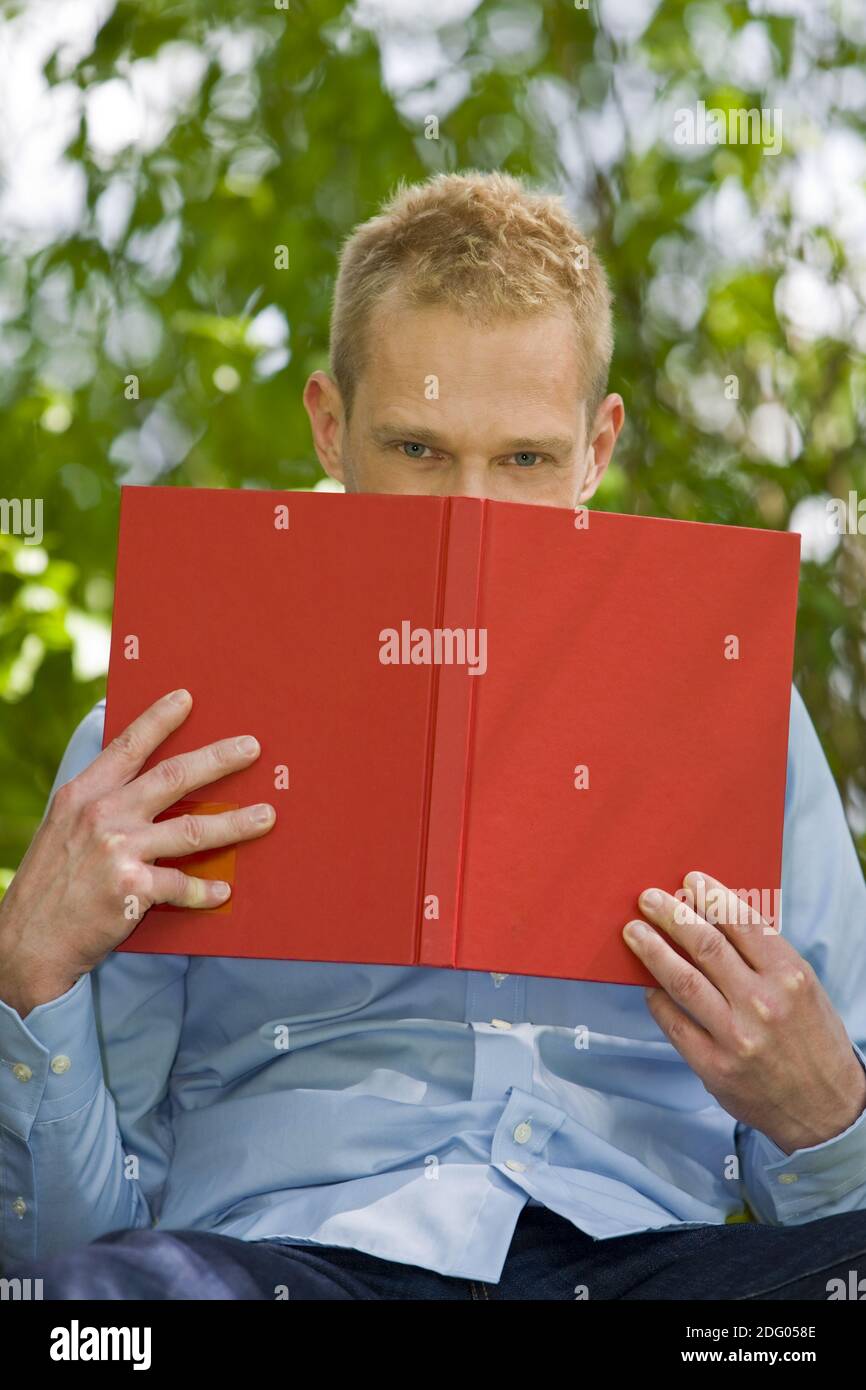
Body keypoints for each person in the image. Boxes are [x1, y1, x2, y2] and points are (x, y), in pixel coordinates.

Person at [2, 171, 865, 1301]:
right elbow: (55, 1254)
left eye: (522, 459)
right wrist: (30, 979)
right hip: (287, 1267)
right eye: (415, 450)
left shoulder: (736, 709)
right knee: (98, 1313)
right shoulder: (154, 734)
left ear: (596, 447)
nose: (470, 516)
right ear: (329, 423)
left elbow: (832, 1201)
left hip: (650, 1274)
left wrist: (824, 1113)